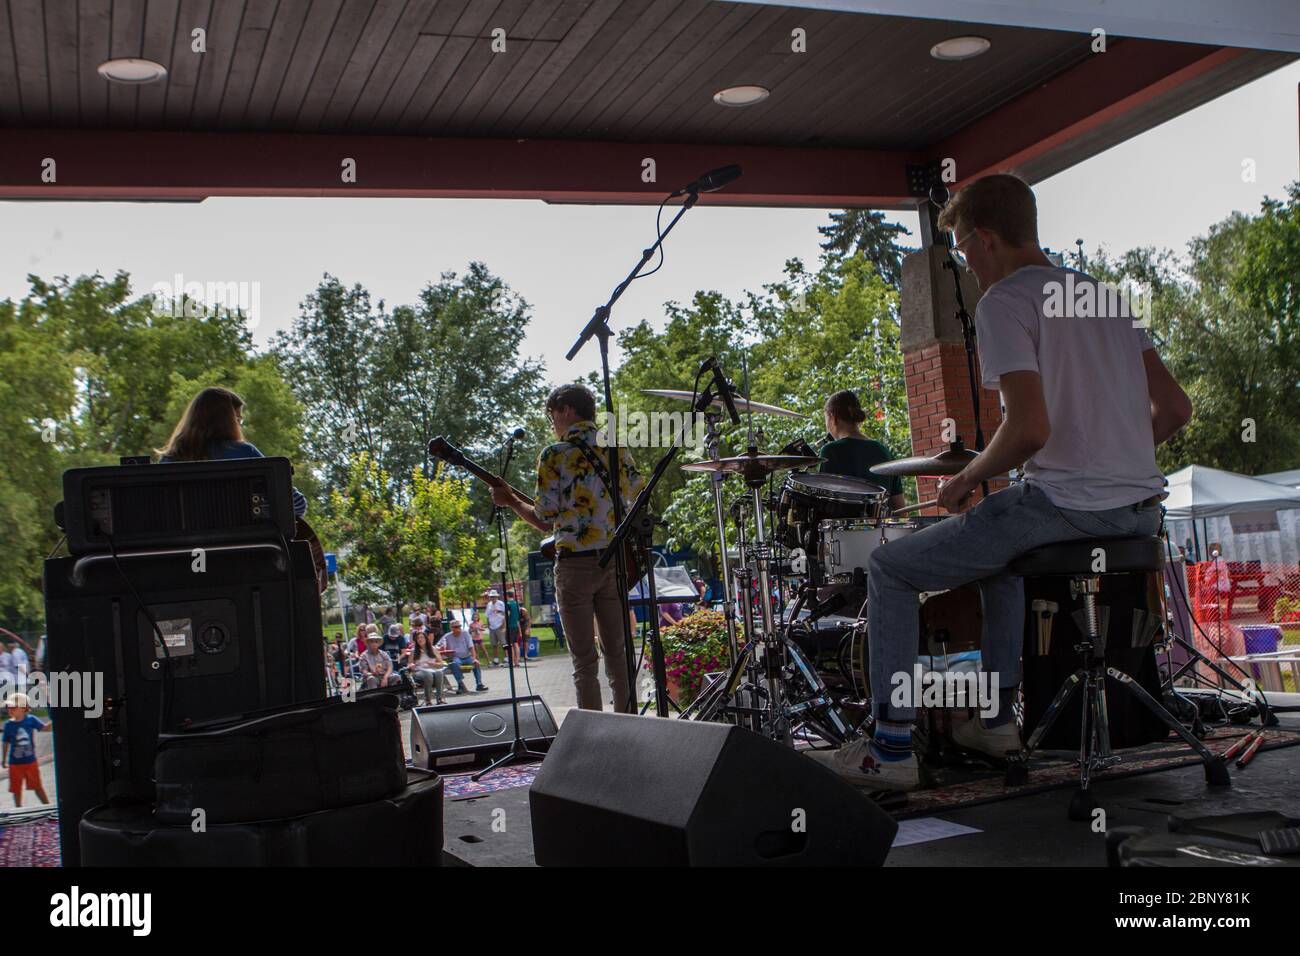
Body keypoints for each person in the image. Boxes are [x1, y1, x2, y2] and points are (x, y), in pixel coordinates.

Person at [809, 173, 1191, 792]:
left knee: (891, 570)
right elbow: (1174, 409)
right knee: (998, 558)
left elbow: (1029, 427)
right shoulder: (1103, 297)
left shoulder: (1006, 303)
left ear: (985, 238)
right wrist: (1115, 455)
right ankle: (993, 721)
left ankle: (890, 749)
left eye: (962, 248)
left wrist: (965, 478)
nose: (965, 264)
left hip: (1067, 506)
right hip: (1142, 512)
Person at [491, 383, 644, 712]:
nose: (553, 424)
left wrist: (511, 501)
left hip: (575, 564)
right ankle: (631, 727)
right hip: (614, 561)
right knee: (618, 655)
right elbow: (637, 494)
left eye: (552, 416)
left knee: (584, 661)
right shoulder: (615, 445)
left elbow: (545, 517)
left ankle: (592, 738)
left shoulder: (554, 455)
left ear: (565, 410)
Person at [157, 386, 308, 518]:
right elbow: (296, 504)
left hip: (186, 550)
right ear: (228, 421)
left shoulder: (168, 461)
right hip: (245, 548)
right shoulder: (243, 453)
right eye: (238, 420)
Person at [820, 390, 906, 512]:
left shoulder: (830, 451)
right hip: (881, 529)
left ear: (833, 418)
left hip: (844, 530)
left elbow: (824, 503)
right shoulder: (883, 451)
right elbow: (900, 509)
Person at [3, 693, 50, 806]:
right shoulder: (8, 725)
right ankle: (18, 809)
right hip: (14, 764)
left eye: (13, 707)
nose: (10, 709)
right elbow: (5, 743)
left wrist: (55, 720)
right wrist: (3, 760)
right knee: (16, 790)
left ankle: (47, 806)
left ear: (24, 708)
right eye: (8, 707)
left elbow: (44, 728)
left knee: (37, 787)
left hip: (31, 762)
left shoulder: (31, 720)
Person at [436, 619, 488, 695]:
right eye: (456, 627)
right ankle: (460, 684)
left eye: (459, 626)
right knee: (454, 664)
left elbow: (471, 647)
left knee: (476, 663)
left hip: (467, 656)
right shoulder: (447, 636)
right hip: (456, 657)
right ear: (451, 628)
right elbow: (437, 645)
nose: (458, 628)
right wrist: (441, 646)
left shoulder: (465, 634)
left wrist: (474, 659)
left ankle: (479, 684)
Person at [408, 631, 449, 705]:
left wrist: (433, 664)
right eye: (418, 638)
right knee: (428, 674)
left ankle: (440, 699)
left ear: (426, 639)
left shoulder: (432, 649)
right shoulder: (413, 651)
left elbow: (441, 663)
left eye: (422, 637)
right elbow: (409, 663)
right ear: (416, 640)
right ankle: (428, 700)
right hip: (419, 670)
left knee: (439, 672)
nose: (420, 639)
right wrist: (411, 665)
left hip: (433, 669)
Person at [485, 590, 507, 666]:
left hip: (500, 625)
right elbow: (487, 616)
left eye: (494, 596)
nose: (493, 598)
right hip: (492, 627)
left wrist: (504, 626)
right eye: (491, 596)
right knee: (494, 644)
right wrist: (488, 625)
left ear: (497, 596)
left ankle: (507, 658)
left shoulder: (501, 603)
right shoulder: (489, 604)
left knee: (504, 643)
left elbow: (505, 614)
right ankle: (496, 660)